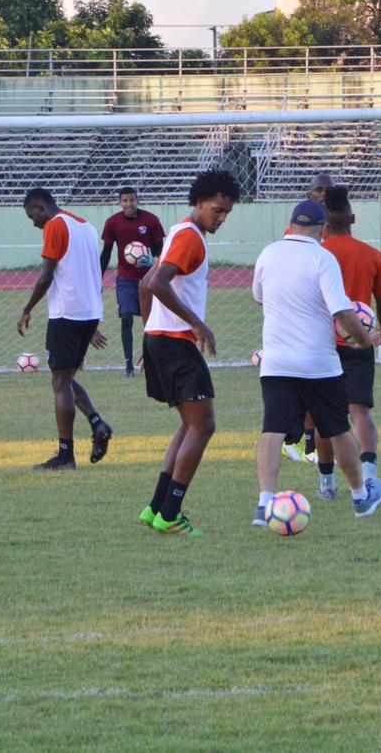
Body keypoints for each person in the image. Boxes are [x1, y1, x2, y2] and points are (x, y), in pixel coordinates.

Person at [252, 199, 381, 524]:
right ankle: (360, 498)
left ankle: (264, 505)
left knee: (272, 430)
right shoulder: (322, 257)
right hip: (318, 363)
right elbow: (341, 310)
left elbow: (258, 297)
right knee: (338, 429)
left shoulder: (268, 253)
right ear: (323, 229)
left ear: (291, 225)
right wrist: (362, 338)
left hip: (276, 362)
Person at [136, 171, 241, 537]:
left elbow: (144, 285)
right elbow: (157, 283)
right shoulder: (189, 237)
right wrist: (198, 324)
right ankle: (170, 514)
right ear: (199, 202)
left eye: (227, 212)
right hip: (175, 342)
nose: (221, 218)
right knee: (203, 426)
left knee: (190, 425)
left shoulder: (180, 232)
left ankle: (156, 508)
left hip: (161, 340)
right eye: (217, 209)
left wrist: (148, 332)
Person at [17, 188, 114, 470]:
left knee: (60, 383)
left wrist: (27, 308)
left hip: (66, 314)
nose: (34, 223)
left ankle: (65, 456)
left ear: (40, 207)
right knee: (66, 378)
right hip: (89, 313)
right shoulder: (86, 226)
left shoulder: (55, 225)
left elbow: (46, 276)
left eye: (31, 216)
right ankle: (97, 423)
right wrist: (91, 323)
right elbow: (92, 272)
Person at [312, 185, 381, 500]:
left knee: (325, 416)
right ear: (353, 219)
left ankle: (327, 485)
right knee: (360, 412)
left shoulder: (317, 254)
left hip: (322, 342)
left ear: (324, 224)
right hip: (359, 340)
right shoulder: (371, 255)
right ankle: (369, 475)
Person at [282, 173, 334, 465]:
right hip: (303, 320)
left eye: (327, 190)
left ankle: (298, 441)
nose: (323, 194)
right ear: (309, 193)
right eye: (319, 189)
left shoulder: (335, 227)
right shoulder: (297, 232)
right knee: (308, 386)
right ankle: (305, 445)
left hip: (324, 318)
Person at [99, 187, 166, 377]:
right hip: (126, 279)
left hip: (150, 279)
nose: (129, 204)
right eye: (125, 201)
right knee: (126, 317)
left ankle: (151, 361)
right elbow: (106, 254)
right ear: (119, 202)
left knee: (151, 323)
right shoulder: (112, 223)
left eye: (132, 200)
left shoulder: (151, 220)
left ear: (138, 200)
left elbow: (161, 252)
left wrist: (152, 260)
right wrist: (98, 279)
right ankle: (128, 366)